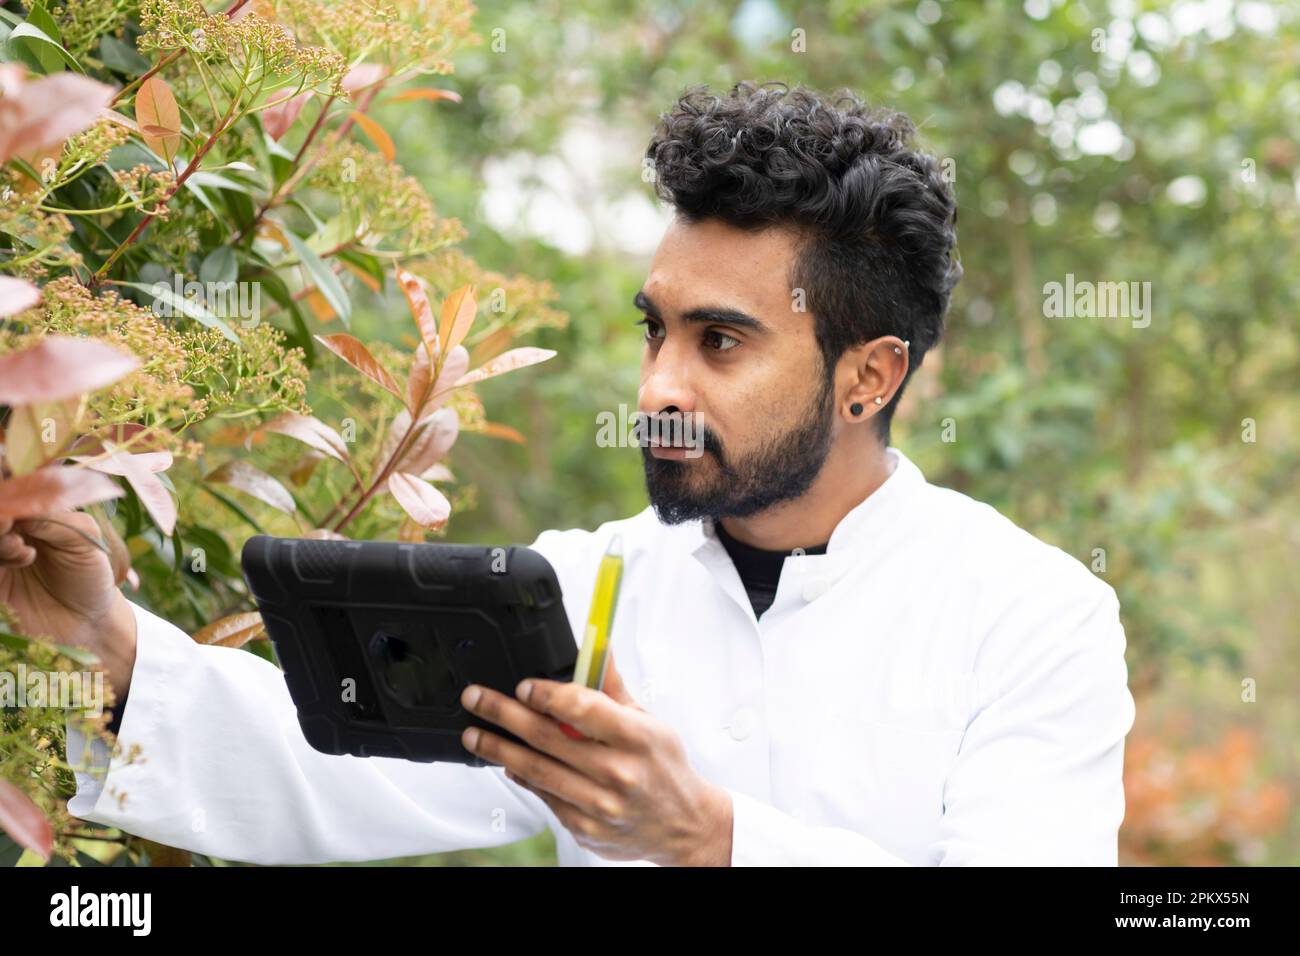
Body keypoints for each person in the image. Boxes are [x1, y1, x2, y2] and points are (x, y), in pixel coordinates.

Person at [0, 81, 1135, 866]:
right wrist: (105, 639)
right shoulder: (589, 589)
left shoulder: (1033, 615)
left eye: (720, 341)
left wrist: (710, 836)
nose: (656, 389)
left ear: (867, 376)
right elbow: (334, 750)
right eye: (656, 329)